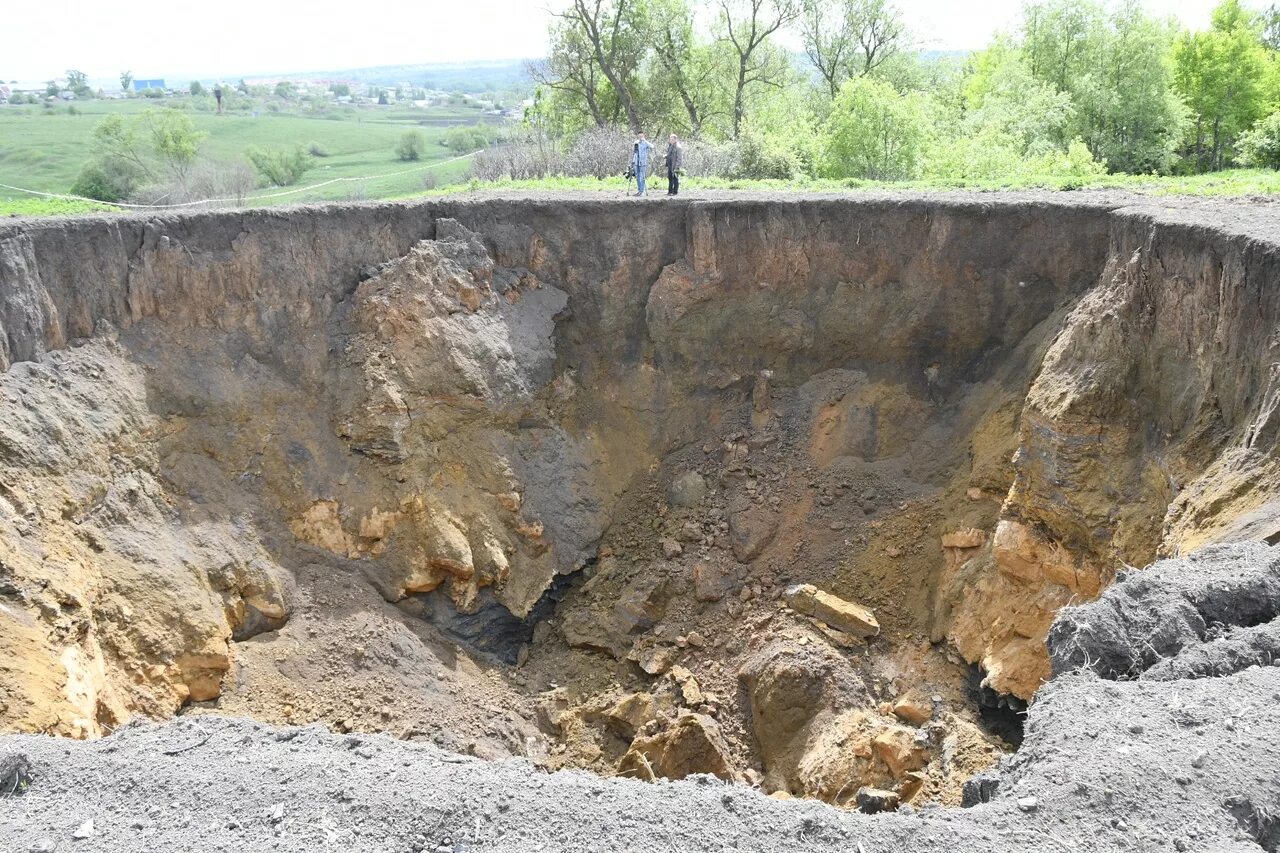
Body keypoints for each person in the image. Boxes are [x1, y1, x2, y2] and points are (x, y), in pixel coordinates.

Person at [631, 131, 655, 196]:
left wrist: (645, 140)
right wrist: (633, 161)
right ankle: (639, 190)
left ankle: (642, 191)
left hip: (643, 163)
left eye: (641, 136)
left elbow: (652, 146)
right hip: (636, 162)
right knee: (638, 177)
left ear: (643, 136)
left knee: (642, 177)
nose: (640, 137)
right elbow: (634, 152)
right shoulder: (636, 142)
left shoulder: (645, 143)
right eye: (639, 136)